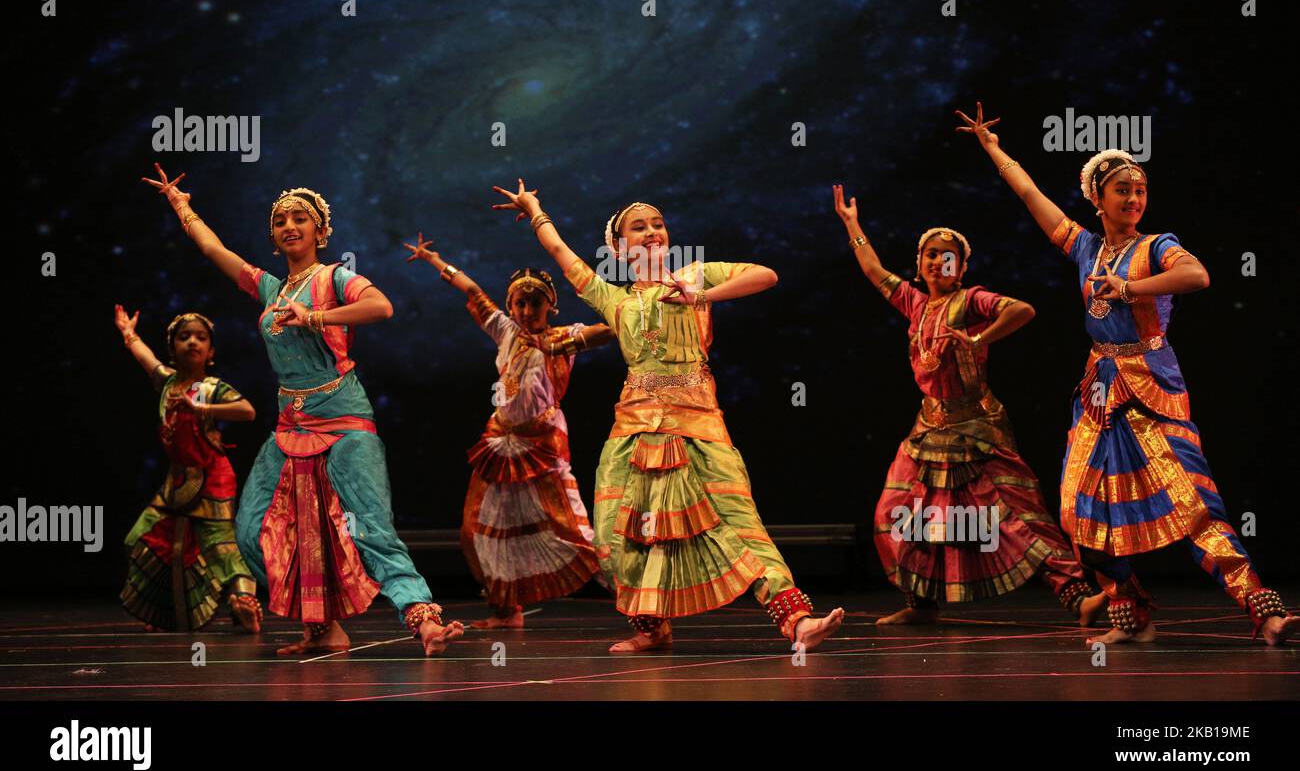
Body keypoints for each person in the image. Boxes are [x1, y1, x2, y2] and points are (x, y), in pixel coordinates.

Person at [955, 103, 1297, 645]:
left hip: (1153, 385)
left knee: (1192, 501)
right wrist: (993, 148)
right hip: (1098, 391)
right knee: (1078, 510)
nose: (1134, 199)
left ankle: (1263, 609)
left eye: (1140, 190)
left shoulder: (1156, 246)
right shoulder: (1085, 246)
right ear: (1098, 198)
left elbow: (1197, 276)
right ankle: (1129, 612)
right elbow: (1030, 197)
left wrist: (1132, 289)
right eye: (1122, 190)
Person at [491, 180, 845, 653]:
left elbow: (766, 275)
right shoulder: (614, 300)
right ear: (619, 247)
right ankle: (651, 629)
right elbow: (558, 249)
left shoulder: (696, 276)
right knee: (622, 532)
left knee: (739, 520)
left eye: (658, 224)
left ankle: (795, 619)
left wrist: (701, 297)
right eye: (639, 228)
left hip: (699, 425)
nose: (653, 232)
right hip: (634, 434)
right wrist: (534, 206)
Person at [141, 164, 464, 656]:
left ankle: (423, 620)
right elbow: (213, 250)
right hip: (291, 423)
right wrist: (181, 205)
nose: (289, 226)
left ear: (320, 230)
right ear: (272, 236)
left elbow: (381, 308)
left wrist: (315, 316)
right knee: (252, 531)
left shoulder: (335, 278)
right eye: (280, 221)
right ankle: (321, 627)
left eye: (299, 218)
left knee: (369, 526)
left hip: (344, 419)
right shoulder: (269, 288)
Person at [832, 187, 1103, 626]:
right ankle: (920, 603)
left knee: (1018, 516)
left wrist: (978, 338)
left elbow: (1021, 310)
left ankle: (1078, 598)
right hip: (927, 430)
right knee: (897, 514)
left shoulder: (971, 299)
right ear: (919, 266)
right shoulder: (914, 303)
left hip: (976, 430)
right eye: (931, 255)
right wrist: (850, 223)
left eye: (949, 256)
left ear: (962, 267)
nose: (939, 262)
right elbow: (873, 269)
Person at [404, 232, 612, 627]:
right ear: (510, 306)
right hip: (499, 442)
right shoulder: (504, 329)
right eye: (521, 302)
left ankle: (632, 595)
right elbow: (471, 290)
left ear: (552, 306)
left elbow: (609, 330)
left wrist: (571, 342)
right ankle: (504, 610)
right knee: (478, 531)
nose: (528, 309)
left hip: (543, 445)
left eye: (537, 302)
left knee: (573, 529)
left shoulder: (561, 336)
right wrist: (434, 261)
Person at [115, 306, 262, 633]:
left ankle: (244, 603)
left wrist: (200, 409)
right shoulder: (166, 383)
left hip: (212, 478)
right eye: (184, 338)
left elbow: (248, 411)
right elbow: (145, 359)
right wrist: (129, 333)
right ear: (173, 350)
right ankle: (163, 607)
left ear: (210, 351)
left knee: (221, 545)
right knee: (140, 537)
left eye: (200, 338)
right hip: (178, 480)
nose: (192, 342)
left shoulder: (211, 388)